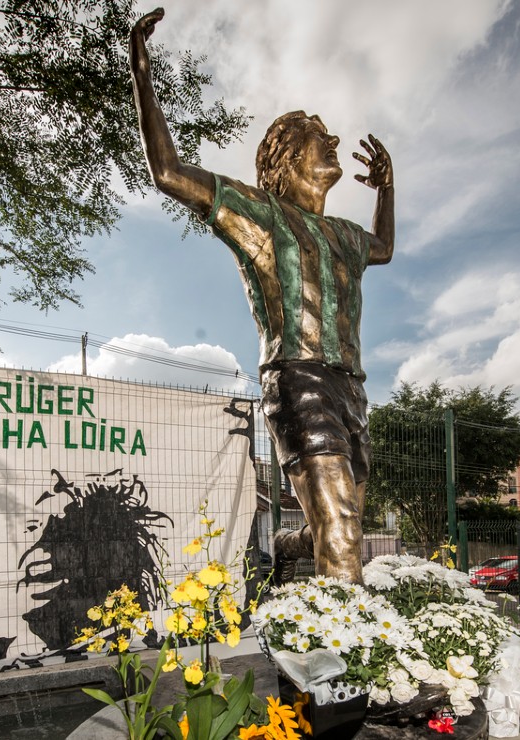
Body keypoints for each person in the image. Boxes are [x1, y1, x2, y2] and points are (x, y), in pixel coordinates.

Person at [130, 9, 394, 584]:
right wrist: (141, 73)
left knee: (336, 524)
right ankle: (336, 670)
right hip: (298, 379)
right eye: (320, 138)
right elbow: (169, 172)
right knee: (344, 527)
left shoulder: (345, 237)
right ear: (290, 156)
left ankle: (288, 544)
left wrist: (386, 191)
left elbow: (383, 246)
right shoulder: (263, 218)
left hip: (352, 386)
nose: (334, 143)